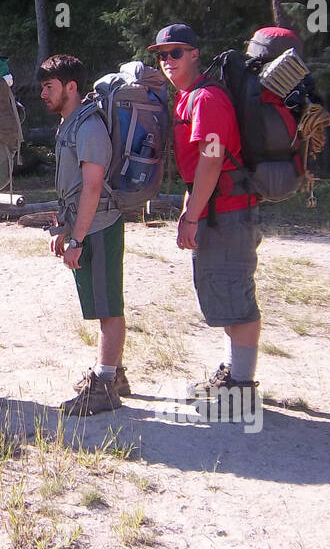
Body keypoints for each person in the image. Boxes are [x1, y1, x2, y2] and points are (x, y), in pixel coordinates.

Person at [150, 23, 263, 403]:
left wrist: (192, 216)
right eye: (162, 55)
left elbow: (212, 161)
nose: (168, 61)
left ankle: (243, 386)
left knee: (236, 296)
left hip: (229, 212)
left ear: (195, 54)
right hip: (217, 209)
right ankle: (236, 371)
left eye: (176, 53)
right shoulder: (187, 97)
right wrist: (190, 209)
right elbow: (197, 166)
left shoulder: (206, 100)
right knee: (224, 294)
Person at [38, 55, 129, 416]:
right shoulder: (69, 124)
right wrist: (64, 228)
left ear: (70, 87)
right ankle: (115, 374)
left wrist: (77, 239)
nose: (43, 94)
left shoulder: (88, 126)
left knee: (108, 306)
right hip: (85, 225)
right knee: (99, 304)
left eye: (50, 86)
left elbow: (92, 187)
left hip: (100, 226)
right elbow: (73, 187)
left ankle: (105, 385)